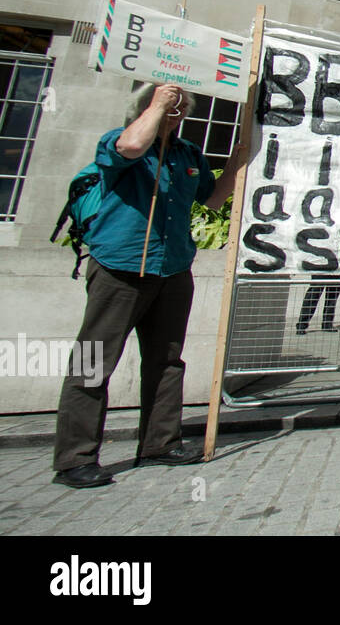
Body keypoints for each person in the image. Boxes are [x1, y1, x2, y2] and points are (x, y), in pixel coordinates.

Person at [52, 83, 242, 488]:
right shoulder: (118, 141)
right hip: (121, 267)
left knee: (167, 360)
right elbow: (133, 147)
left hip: (171, 269)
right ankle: (75, 458)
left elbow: (211, 199)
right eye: (167, 108)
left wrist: (241, 155)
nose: (174, 114)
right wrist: (156, 102)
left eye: (179, 109)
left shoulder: (188, 155)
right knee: (93, 361)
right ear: (145, 109)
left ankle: (159, 443)